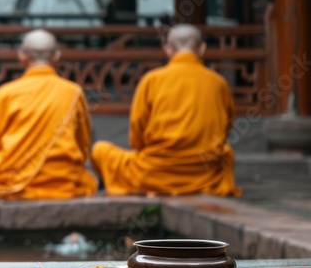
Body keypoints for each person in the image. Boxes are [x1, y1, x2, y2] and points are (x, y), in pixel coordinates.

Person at [0, 29, 97, 199]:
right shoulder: (74, 92)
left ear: (22, 57)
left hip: (10, 176)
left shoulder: (6, 93)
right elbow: (82, 144)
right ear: (57, 56)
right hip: (61, 178)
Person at [91, 24, 240, 196]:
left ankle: (134, 186)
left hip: (154, 172)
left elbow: (136, 137)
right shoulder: (218, 83)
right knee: (227, 153)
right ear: (202, 49)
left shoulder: (152, 80)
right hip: (203, 173)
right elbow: (226, 130)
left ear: (168, 50)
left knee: (100, 151)